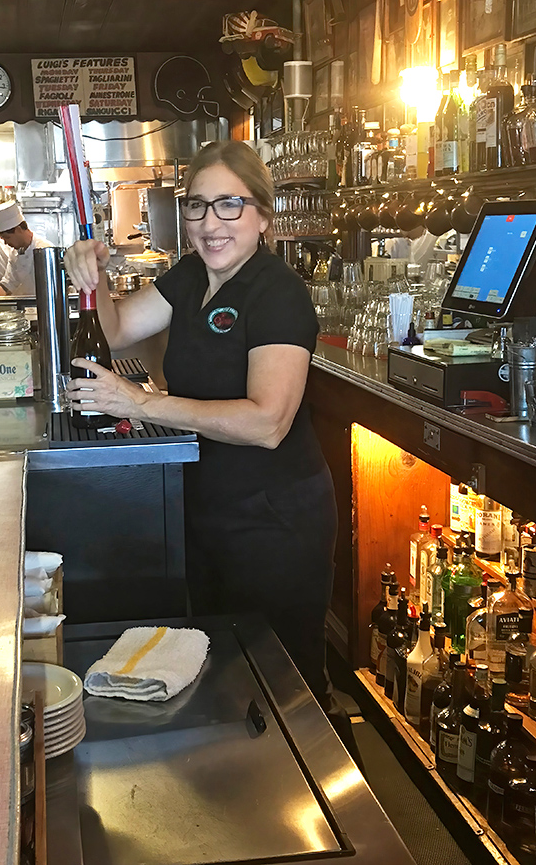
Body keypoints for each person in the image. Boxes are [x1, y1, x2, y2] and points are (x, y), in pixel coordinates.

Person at [64, 140, 338, 706]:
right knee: (225, 674)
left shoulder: (278, 292)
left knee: (289, 681)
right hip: (205, 506)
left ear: (263, 215)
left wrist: (142, 404)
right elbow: (116, 331)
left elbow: (268, 423)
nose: (211, 223)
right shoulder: (190, 276)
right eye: (197, 205)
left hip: (272, 518)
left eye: (229, 204)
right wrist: (93, 278)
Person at [0, 201, 53, 297]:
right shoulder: (14, 253)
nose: (5, 243)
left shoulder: (44, 250)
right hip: (24, 304)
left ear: (18, 230)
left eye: (7, 238)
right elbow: (7, 283)